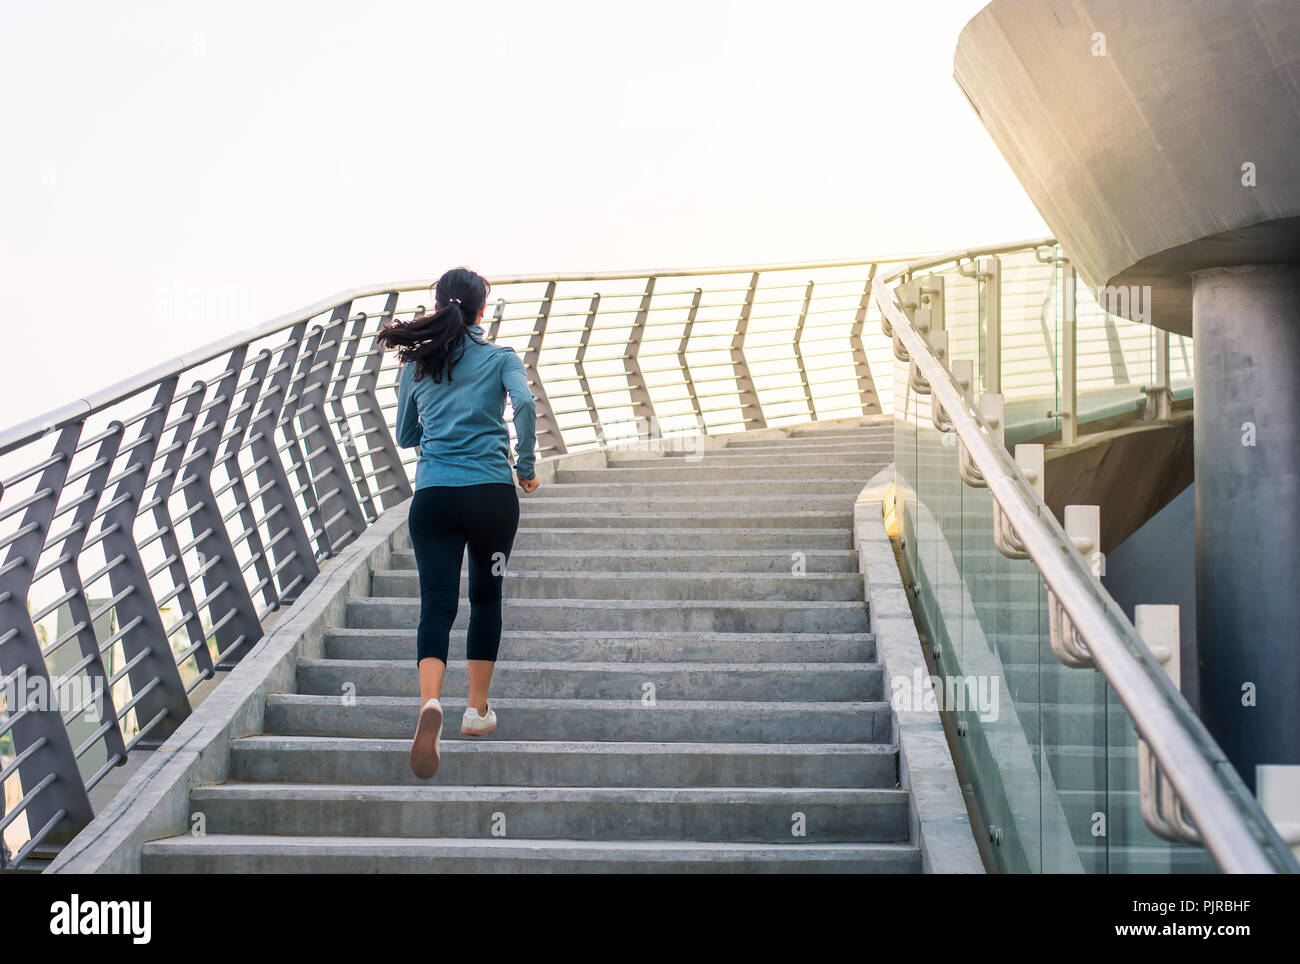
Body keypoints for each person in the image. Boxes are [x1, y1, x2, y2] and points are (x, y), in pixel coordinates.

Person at [376, 267, 539, 779]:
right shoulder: (501, 358)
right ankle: (476, 711)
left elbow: (406, 435)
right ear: (482, 311)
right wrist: (526, 466)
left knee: (437, 604)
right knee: (486, 598)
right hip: (491, 495)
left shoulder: (417, 366)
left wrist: (436, 424)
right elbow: (527, 404)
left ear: (438, 306)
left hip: (435, 498)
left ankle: (430, 703)